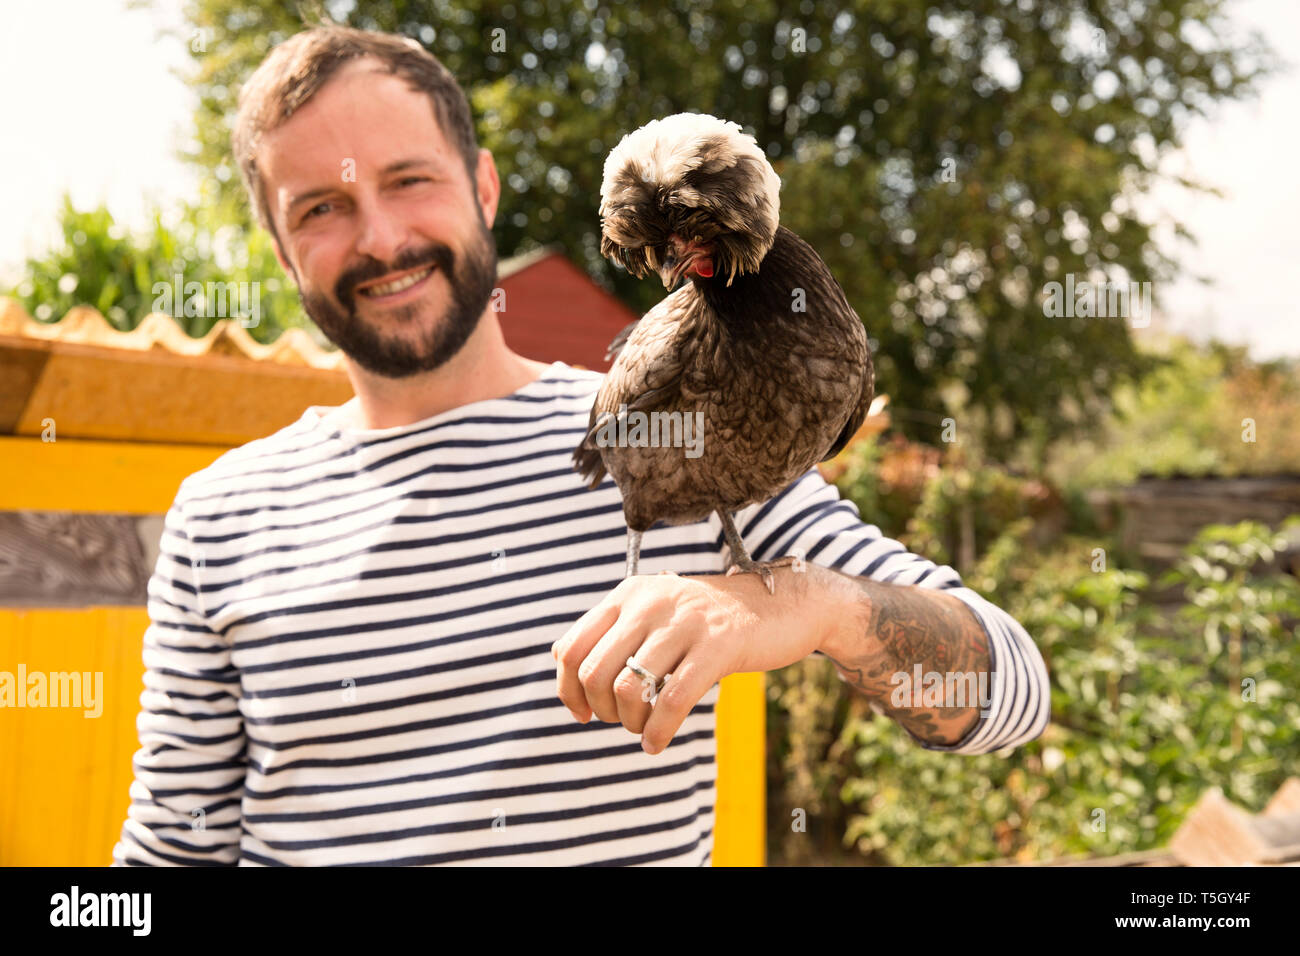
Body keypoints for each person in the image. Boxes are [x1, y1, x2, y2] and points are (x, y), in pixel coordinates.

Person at [112, 24, 1048, 867]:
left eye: (409, 180)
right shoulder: (220, 515)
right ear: (279, 247)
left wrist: (812, 606)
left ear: (482, 186)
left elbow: (1011, 690)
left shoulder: (697, 429)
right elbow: (165, 860)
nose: (382, 236)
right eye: (321, 207)